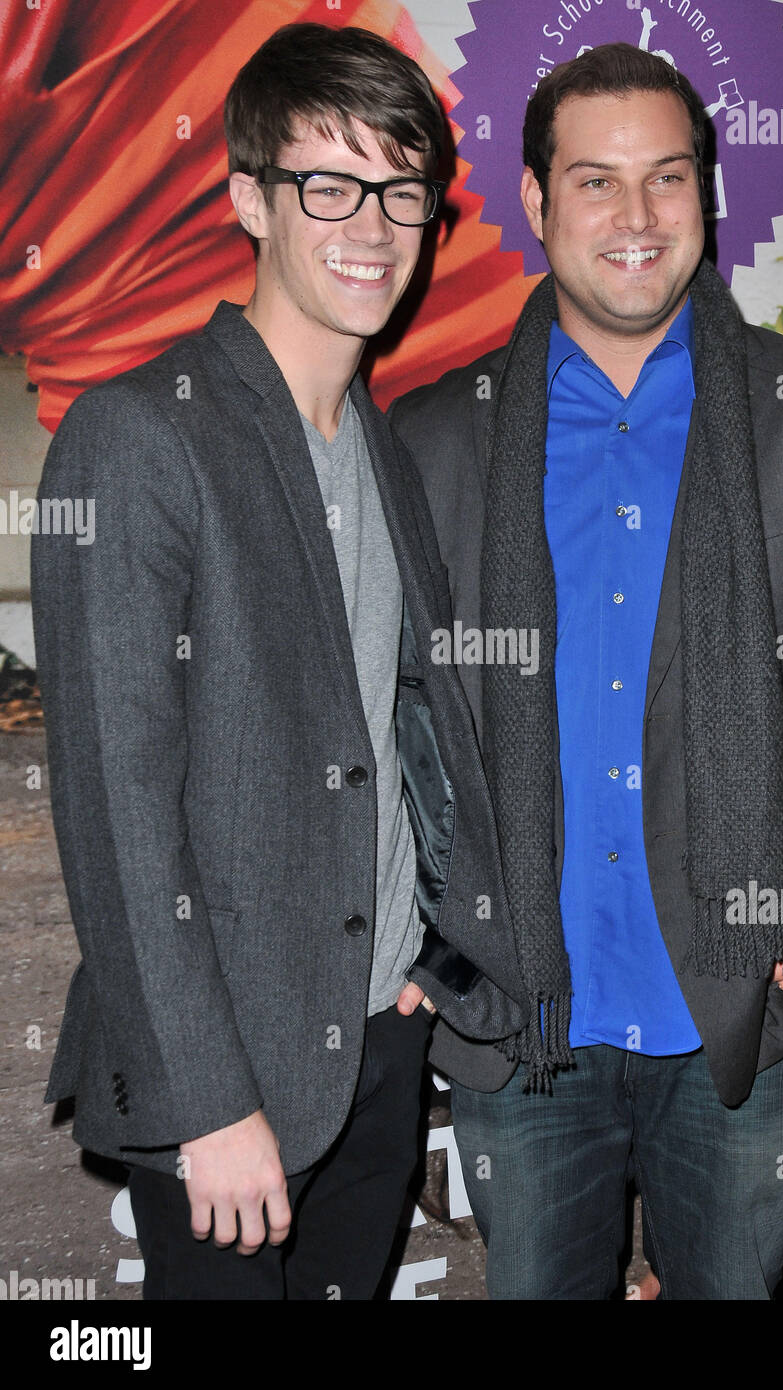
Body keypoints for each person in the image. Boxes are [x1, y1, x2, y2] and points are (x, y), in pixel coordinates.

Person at [389, 43, 783, 1300]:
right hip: (523, 1030)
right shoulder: (430, 435)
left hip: (748, 1015)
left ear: (707, 192)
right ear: (534, 202)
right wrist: (444, 945)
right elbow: (409, 728)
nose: (635, 218)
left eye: (666, 178)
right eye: (594, 181)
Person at [31, 21, 525, 1302]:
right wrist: (204, 1102)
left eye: (400, 190)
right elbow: (113, 808)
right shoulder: (140, 436)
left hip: (375, 1044)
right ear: (250, 197)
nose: (371, 226)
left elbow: (408, 728)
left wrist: (433, 960)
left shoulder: (383, 443)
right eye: (328, 186)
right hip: (227, 1076)